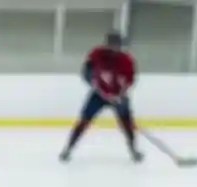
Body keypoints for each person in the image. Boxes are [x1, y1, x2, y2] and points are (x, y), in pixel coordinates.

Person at [60, 32, 142, 163]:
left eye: (118, 45)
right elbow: (87, 73)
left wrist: (120, 96)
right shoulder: (97, 54)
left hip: (118, 97)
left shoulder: (126, 60)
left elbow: (130, 81)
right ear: (107, 44)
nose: (115, 48)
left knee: (127, 124)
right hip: (98, 95)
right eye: (112, 45)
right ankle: (68, 149)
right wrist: (97, 88)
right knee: (84, 121)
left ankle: (134, 150)